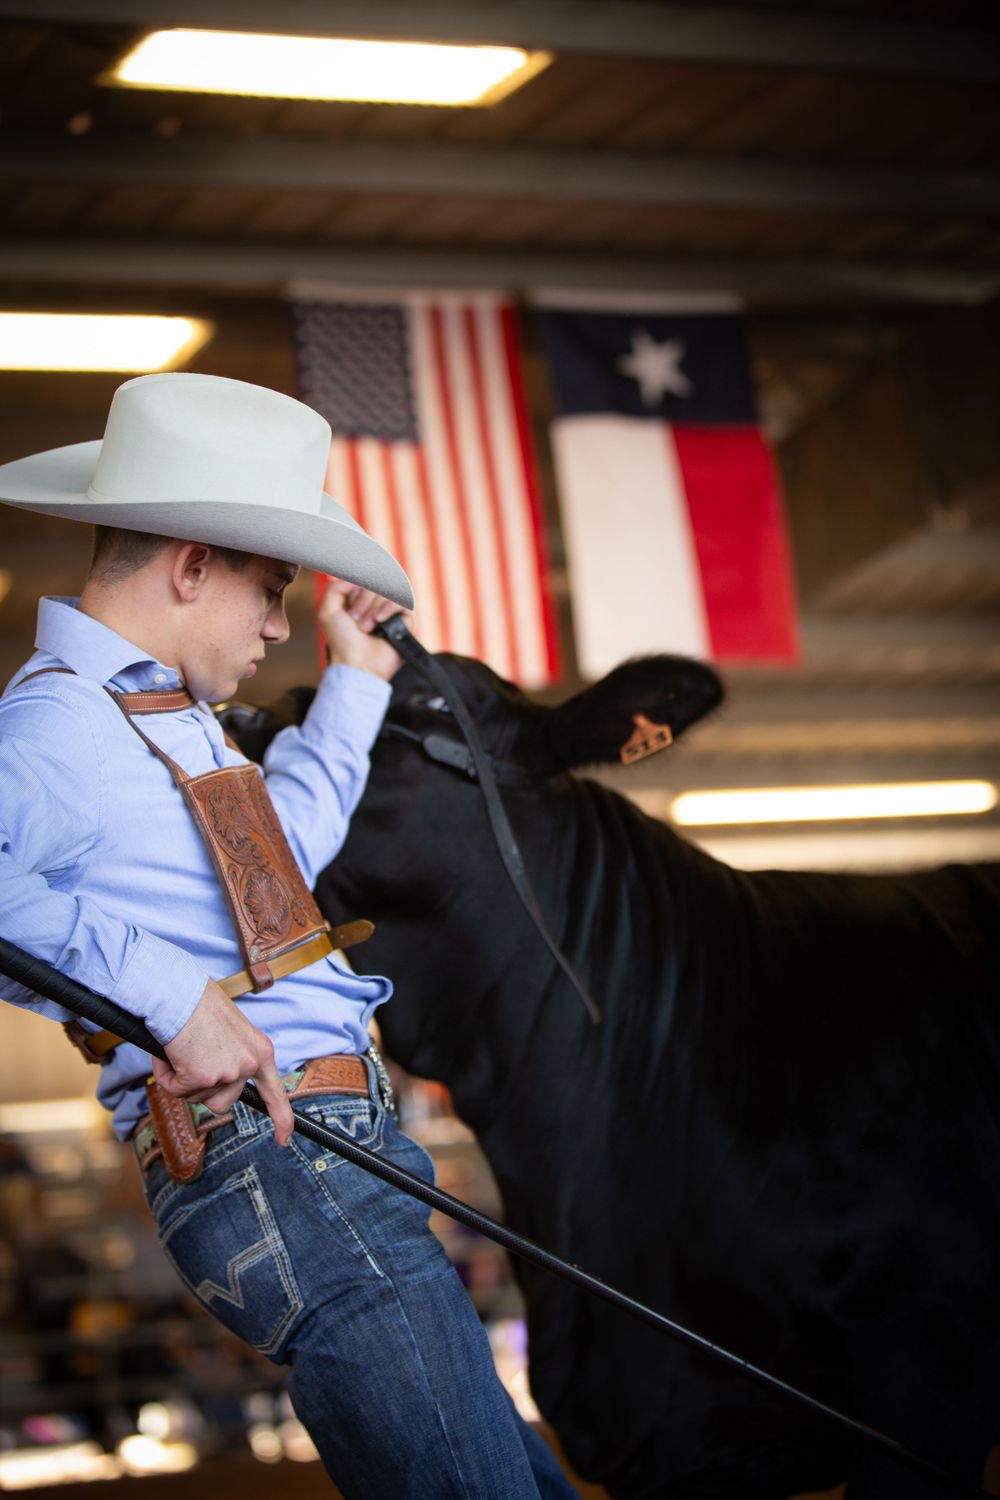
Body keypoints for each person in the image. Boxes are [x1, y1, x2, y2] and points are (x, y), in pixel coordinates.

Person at [0, 372, 577, 1499]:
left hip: (325, 1158)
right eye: (270, 592)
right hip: (282, 1161)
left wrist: (353, 678)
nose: (277, 626)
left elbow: (277, 880)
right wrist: (167, 999)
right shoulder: (59, 720)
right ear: (192, 565)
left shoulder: (158, 717)